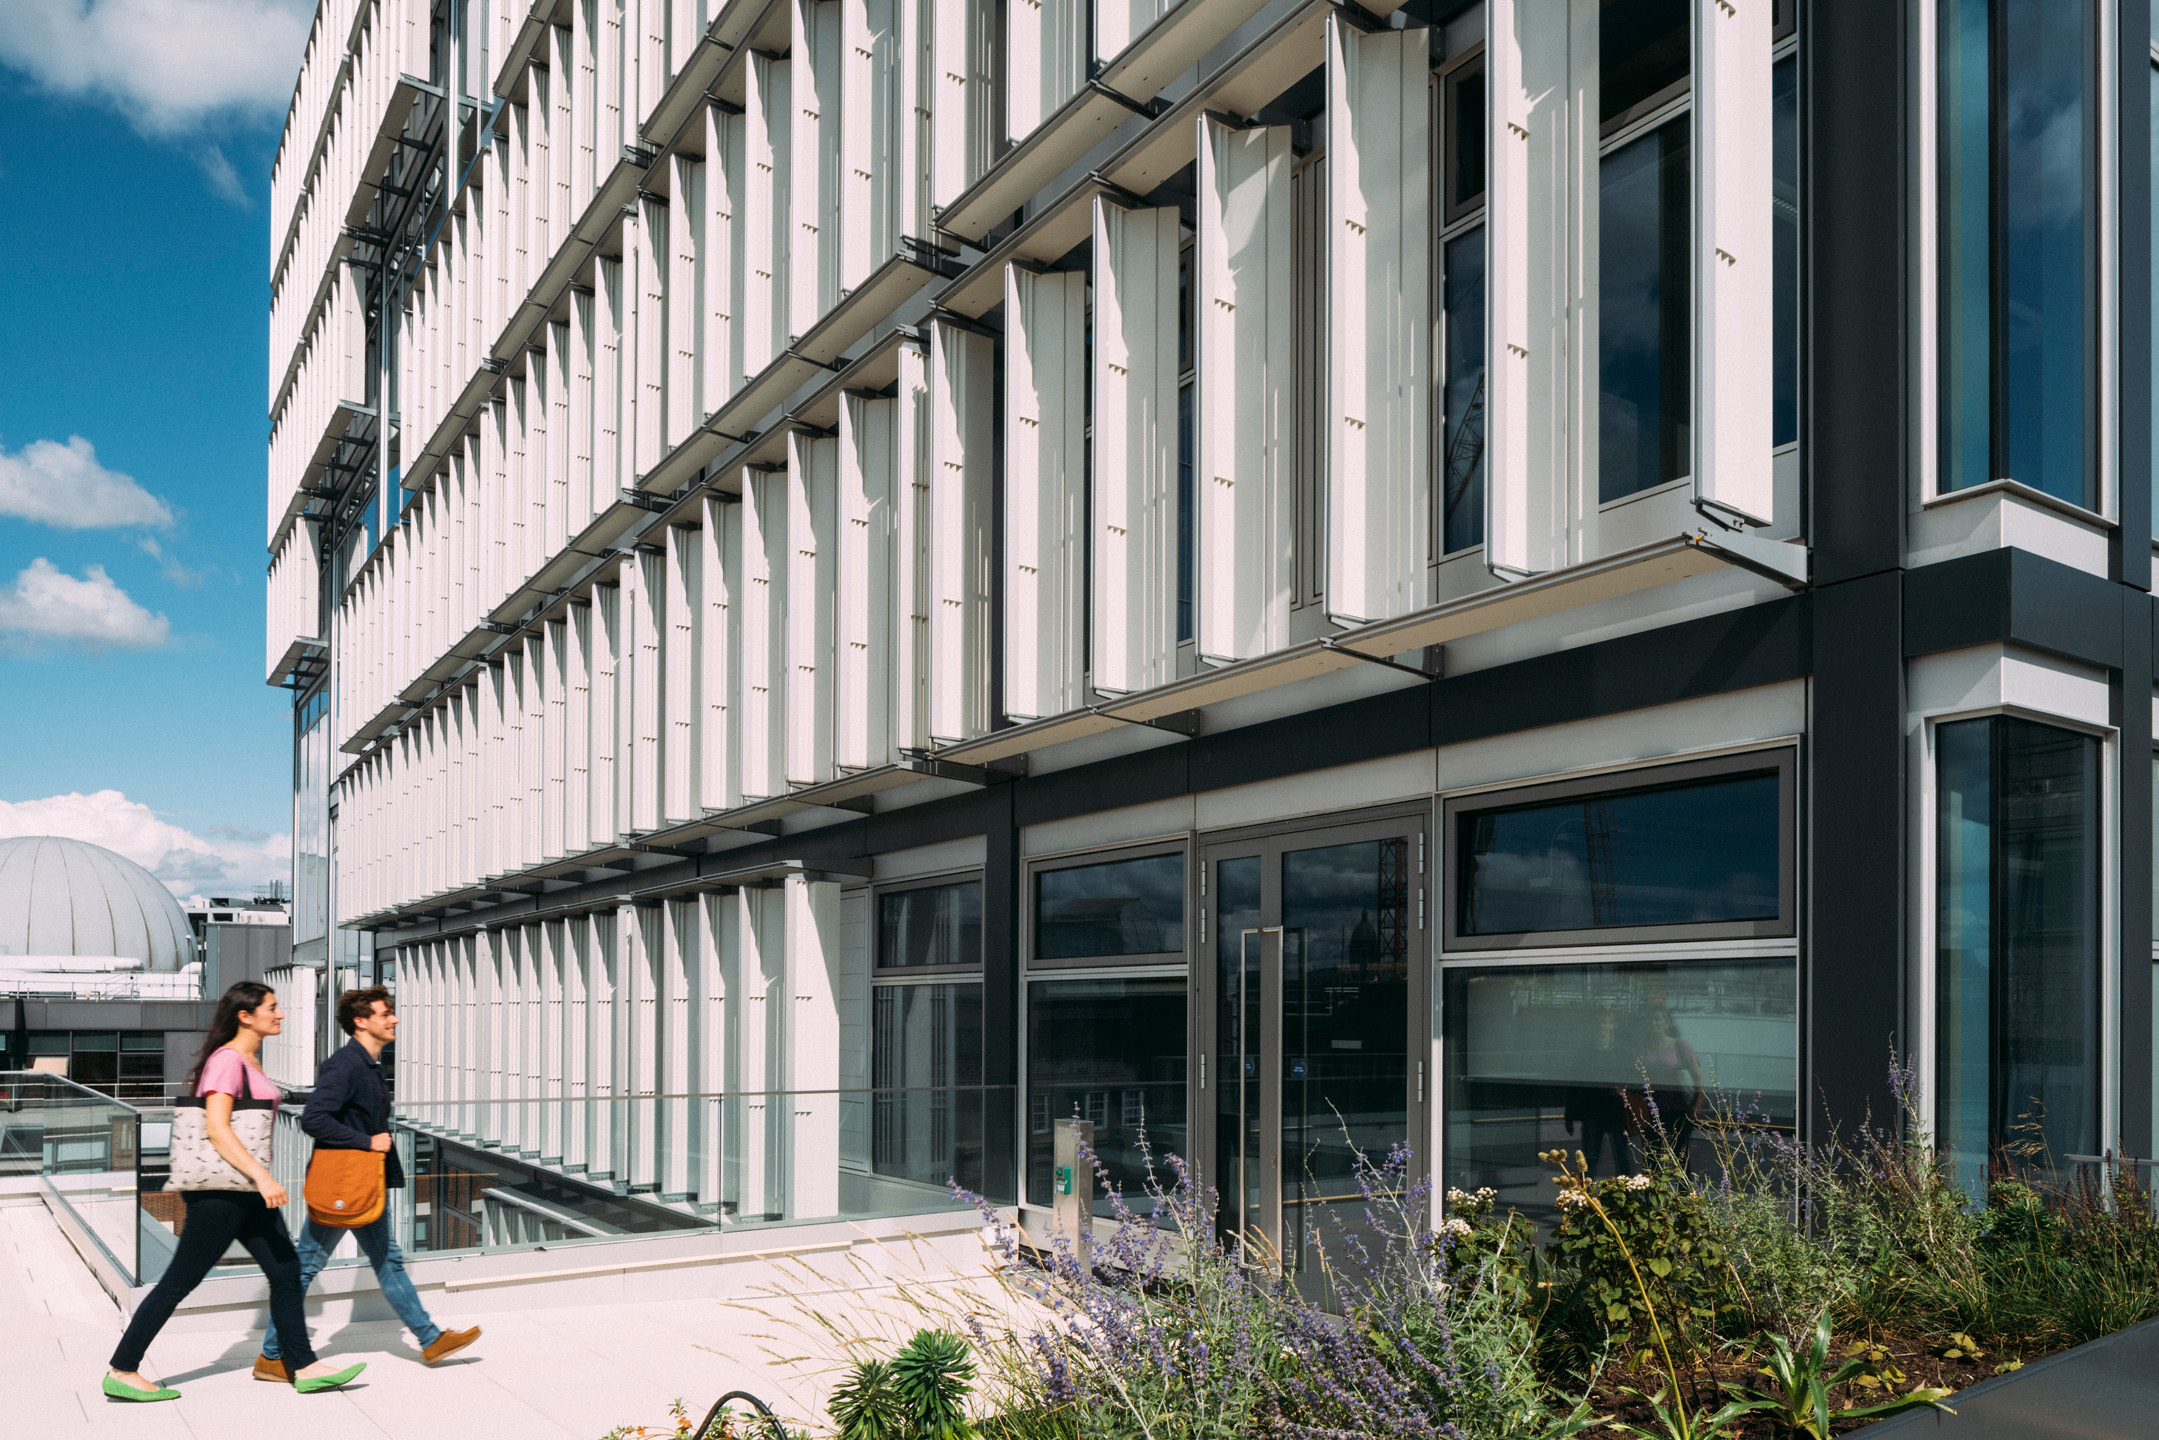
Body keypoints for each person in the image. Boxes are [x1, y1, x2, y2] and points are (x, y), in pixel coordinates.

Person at [105, 982, 366, 1401]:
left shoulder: (249, 1059)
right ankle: (123, 1369)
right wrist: (263, 1178)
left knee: (284, 1271)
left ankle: (304, 1365)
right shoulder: (227, 1061)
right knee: (179, 1281)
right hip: (222, 1193)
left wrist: (258, 1182)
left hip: (244, 1190)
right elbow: (217, 1127)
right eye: (272, 1008)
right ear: (245, 1016)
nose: (280, 1014)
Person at [254, 986, 479, 1379]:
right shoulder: (345, 1065)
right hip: (346, 1185)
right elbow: (314, 1119)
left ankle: (429, 1338)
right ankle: (272, 1355)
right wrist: (367, 1141)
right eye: (384, 1013)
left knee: (377, 1261)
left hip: (361, 1184)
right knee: (308, 1266)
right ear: (360, 1021)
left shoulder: (368, 1065)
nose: (394, 1019)